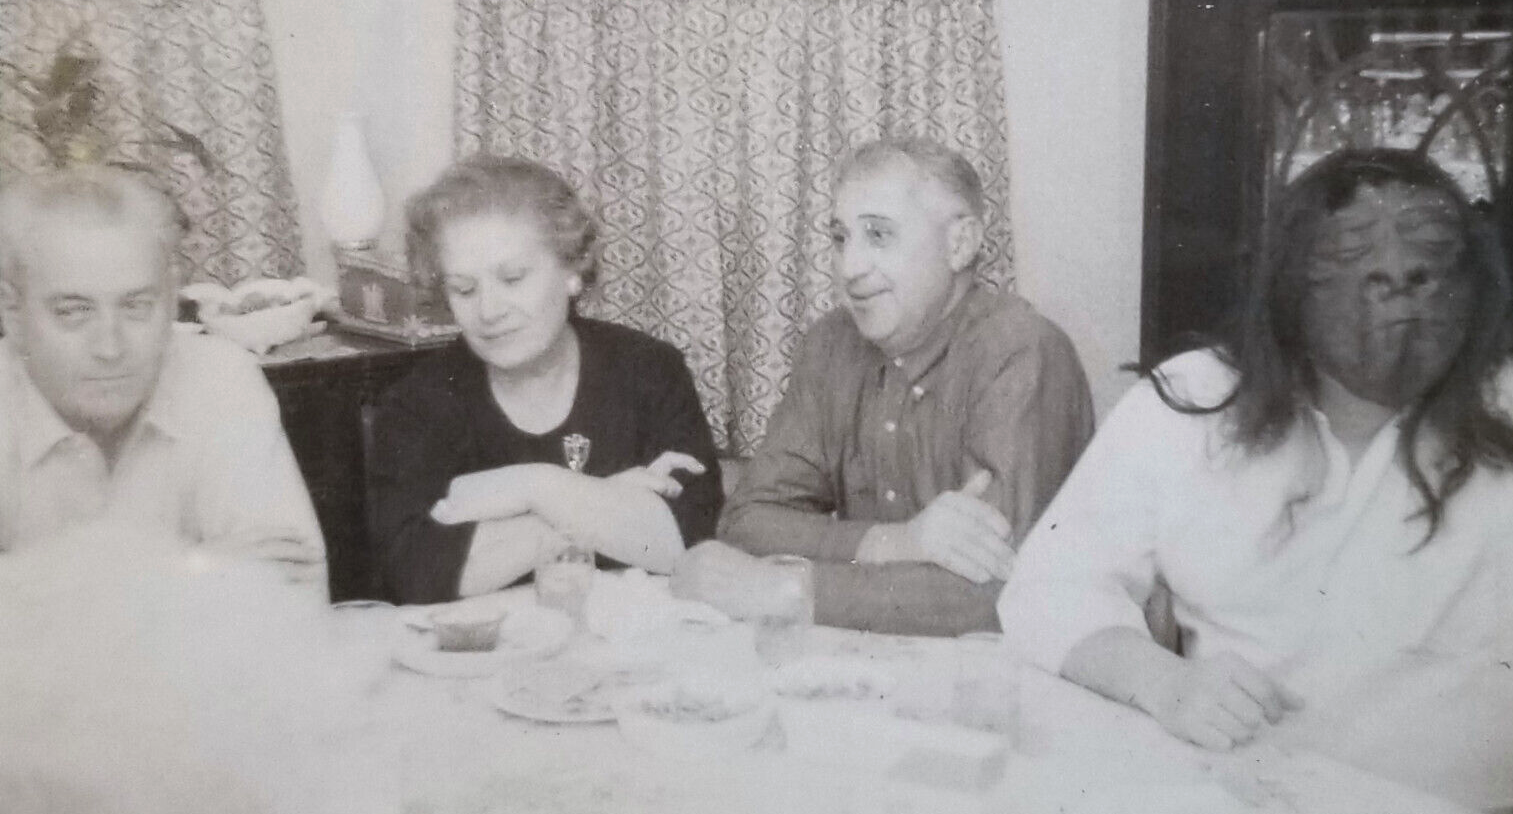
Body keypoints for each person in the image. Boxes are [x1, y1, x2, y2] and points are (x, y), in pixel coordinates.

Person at [999, 147, 1513, 814]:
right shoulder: (1197, 402)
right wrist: (1160, 679)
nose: (1396, 288)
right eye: (1355, 260)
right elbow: (1044, 585)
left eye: (1426, 263)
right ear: (1289, 285)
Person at [704, 138, 1093, 635]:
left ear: (960, 244)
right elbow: (747, 522)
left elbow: (1000, 591)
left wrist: (786, 590)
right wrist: (897, 542)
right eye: (841, 238)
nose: (849, 268)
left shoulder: (1023, 353)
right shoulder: (831, 345)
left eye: (879, 235)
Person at [367, 155, 722, 604]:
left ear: (573, 270)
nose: (489, 311)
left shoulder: (648, 369)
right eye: (464, 289)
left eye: (513, 278)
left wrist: (531, 487)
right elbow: (417, 576)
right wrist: (603, 503)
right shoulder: (418, 403)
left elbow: (686, 545)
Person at [0, 165, 323, 563]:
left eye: (136, 306)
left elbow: (291, 590)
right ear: (12, 314)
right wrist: (197, 569)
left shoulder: (221, 379)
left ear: (171, 300)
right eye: (74, 312)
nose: (110, 347)